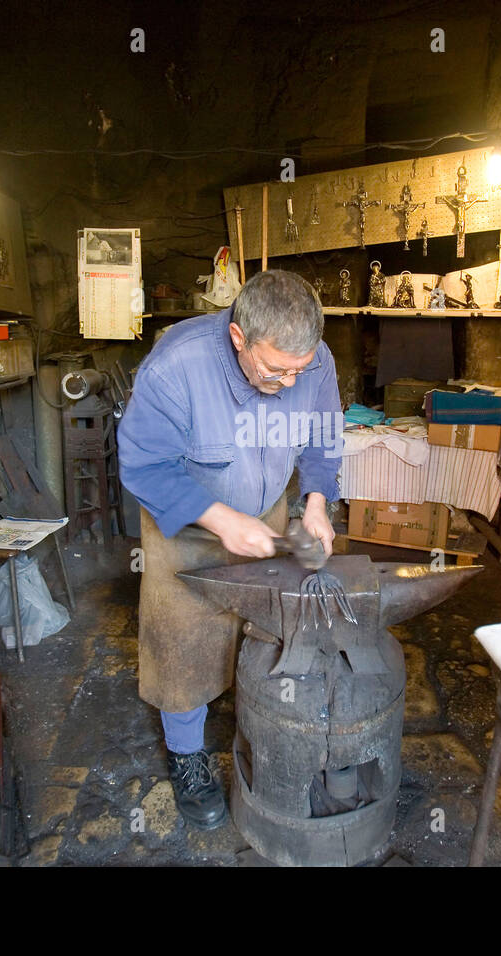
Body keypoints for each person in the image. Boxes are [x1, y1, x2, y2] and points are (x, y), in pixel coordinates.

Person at [117, 269, 342, 829]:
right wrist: (220, 521)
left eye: (299, 370)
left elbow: (323, 434)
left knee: (262, 632)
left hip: (265, 516)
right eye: (275, 370)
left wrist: (314, 501)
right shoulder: (177, 365)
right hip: (187, 528)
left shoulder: (312, 361)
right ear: (239, 338)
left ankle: (261, 725)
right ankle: (188, 755)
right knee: (183, 642)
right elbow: (144, 464)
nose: (290, 383)